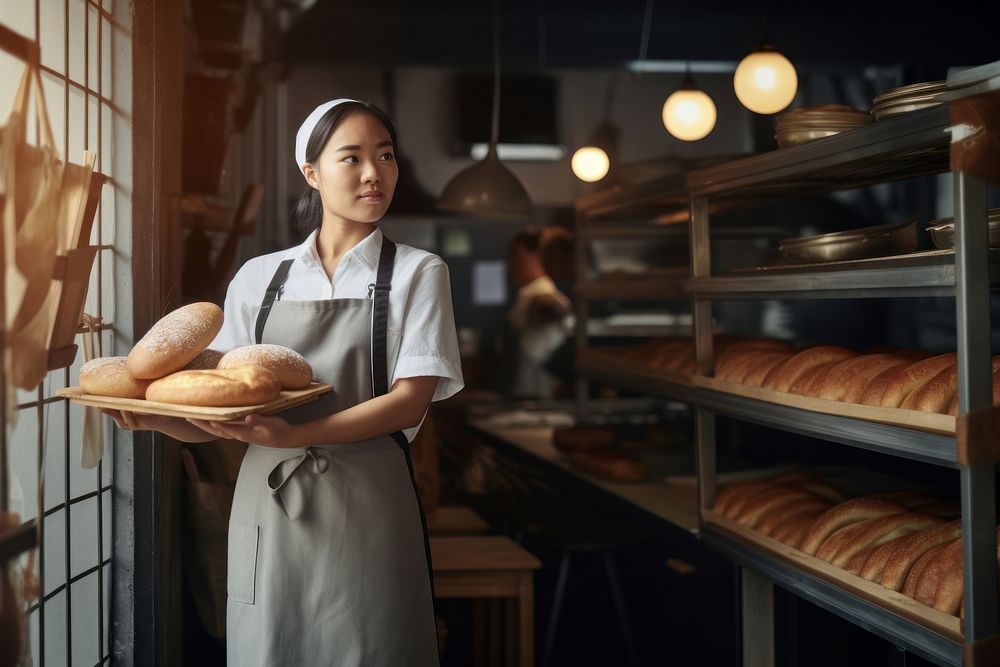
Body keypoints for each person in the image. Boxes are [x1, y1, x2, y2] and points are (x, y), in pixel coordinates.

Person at [101, 99, 464, 665]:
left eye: (386, 156)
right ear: (311, 173)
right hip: (268, 503)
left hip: (368, 501)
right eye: (352, 157)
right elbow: (223, 418)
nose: (374, 173)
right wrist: (156, 420)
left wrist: (293, 436)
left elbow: (408, 404)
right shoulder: (259, 278)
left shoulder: (420, 272)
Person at [504, 225, 576, 399]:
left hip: (541, 394)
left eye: (516, 256)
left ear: (534, 256)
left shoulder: (542, 290)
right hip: (524, 392)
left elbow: (550, 304)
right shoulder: (527, 292)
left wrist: (555, 308)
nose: (511, 264)